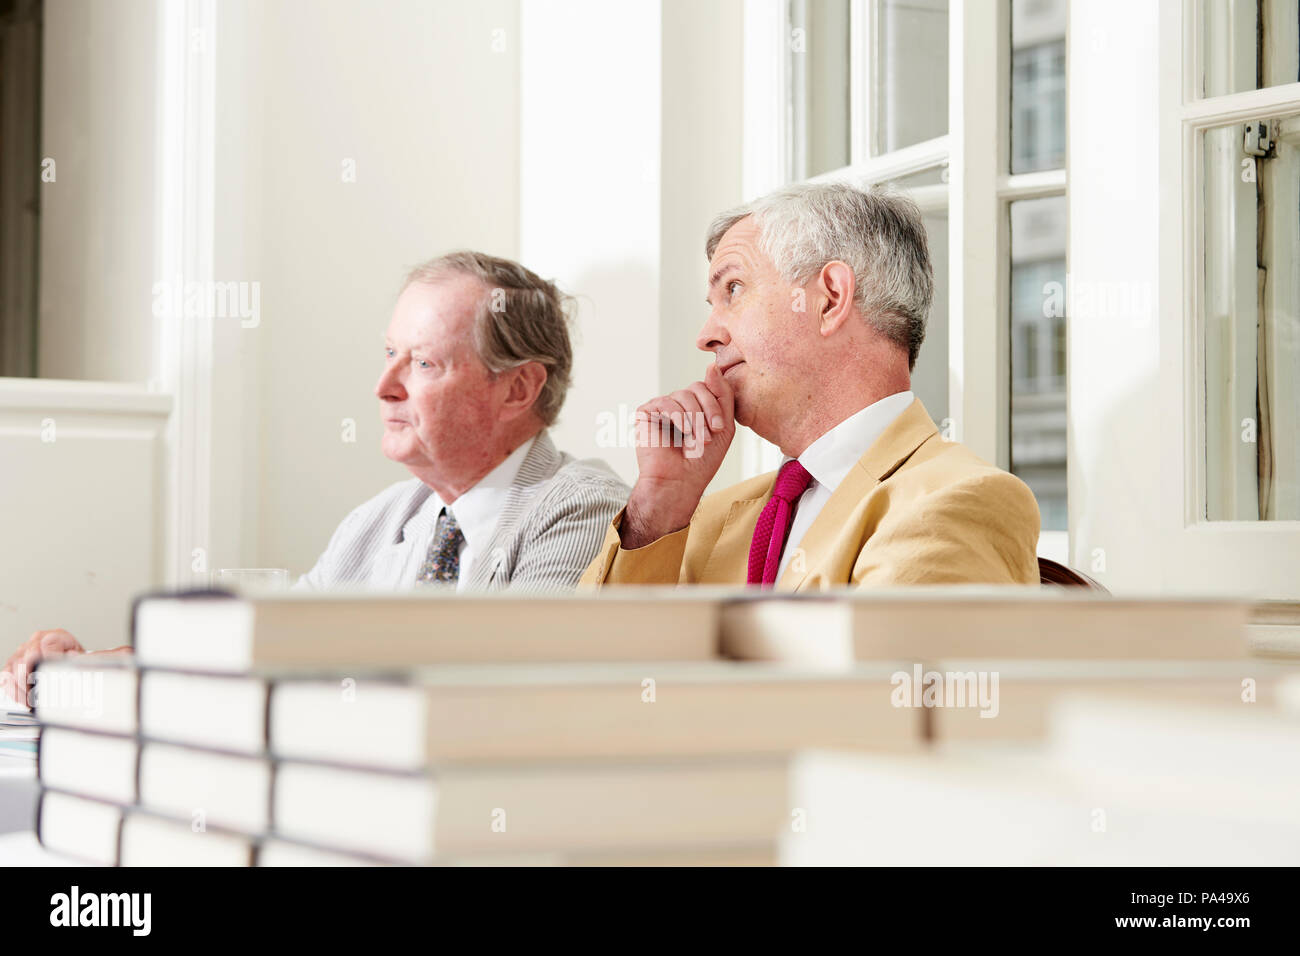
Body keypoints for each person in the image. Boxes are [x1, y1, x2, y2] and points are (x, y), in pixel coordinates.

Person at [4, 252, 628, 705]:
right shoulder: (381, 519)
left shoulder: (583, 510)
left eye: (424, 363)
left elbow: (496, 680)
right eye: (390, 355)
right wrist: (99, 668)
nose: (383, 388)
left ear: (518, 388)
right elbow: (264, 641)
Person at [579, 182, 1041, 590]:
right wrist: (657, 506)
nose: (706, 336)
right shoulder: (699, 520)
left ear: (830, 299)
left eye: (734, 290)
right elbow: (595, 677)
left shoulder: (955, 501)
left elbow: (878, 689)